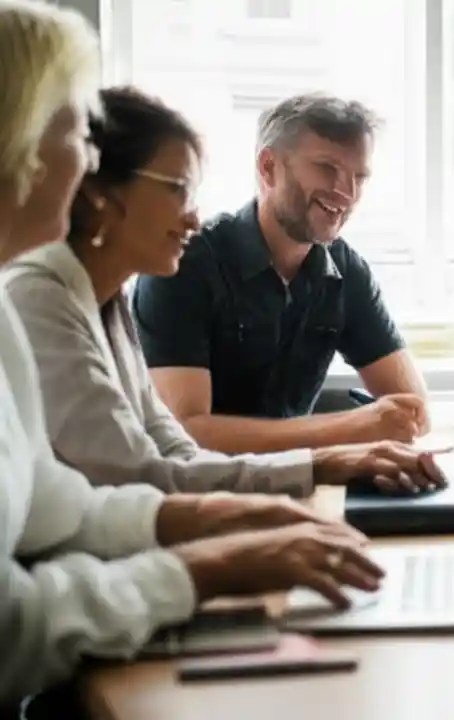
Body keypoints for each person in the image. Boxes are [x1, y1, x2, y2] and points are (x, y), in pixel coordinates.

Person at [0, 2, 382, 706]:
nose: (83, 156)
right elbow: (17, 618)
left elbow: (80, 502)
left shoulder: (87, 299)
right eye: (69, 131)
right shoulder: (33, 298)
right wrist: (212, 562)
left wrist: (259, 508)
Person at [3, 86, 446, 497]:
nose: (193, 219)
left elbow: (174, 457)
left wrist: (325, 465)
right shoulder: (44, 300)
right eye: (178, 190)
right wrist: (336, 446)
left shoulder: (108, 304)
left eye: (359, 177)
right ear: (100, 194)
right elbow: (148, 473)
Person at [130, 93, 430, 455]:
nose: (347, 194)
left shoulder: (347, 272)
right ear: (268, 167)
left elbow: (414, 410)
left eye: (359, 177)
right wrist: (350, 427)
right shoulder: (184, 264)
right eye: (327, 168)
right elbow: (187, 433)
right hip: (201, 491)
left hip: (304, 479)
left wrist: (365, 428)